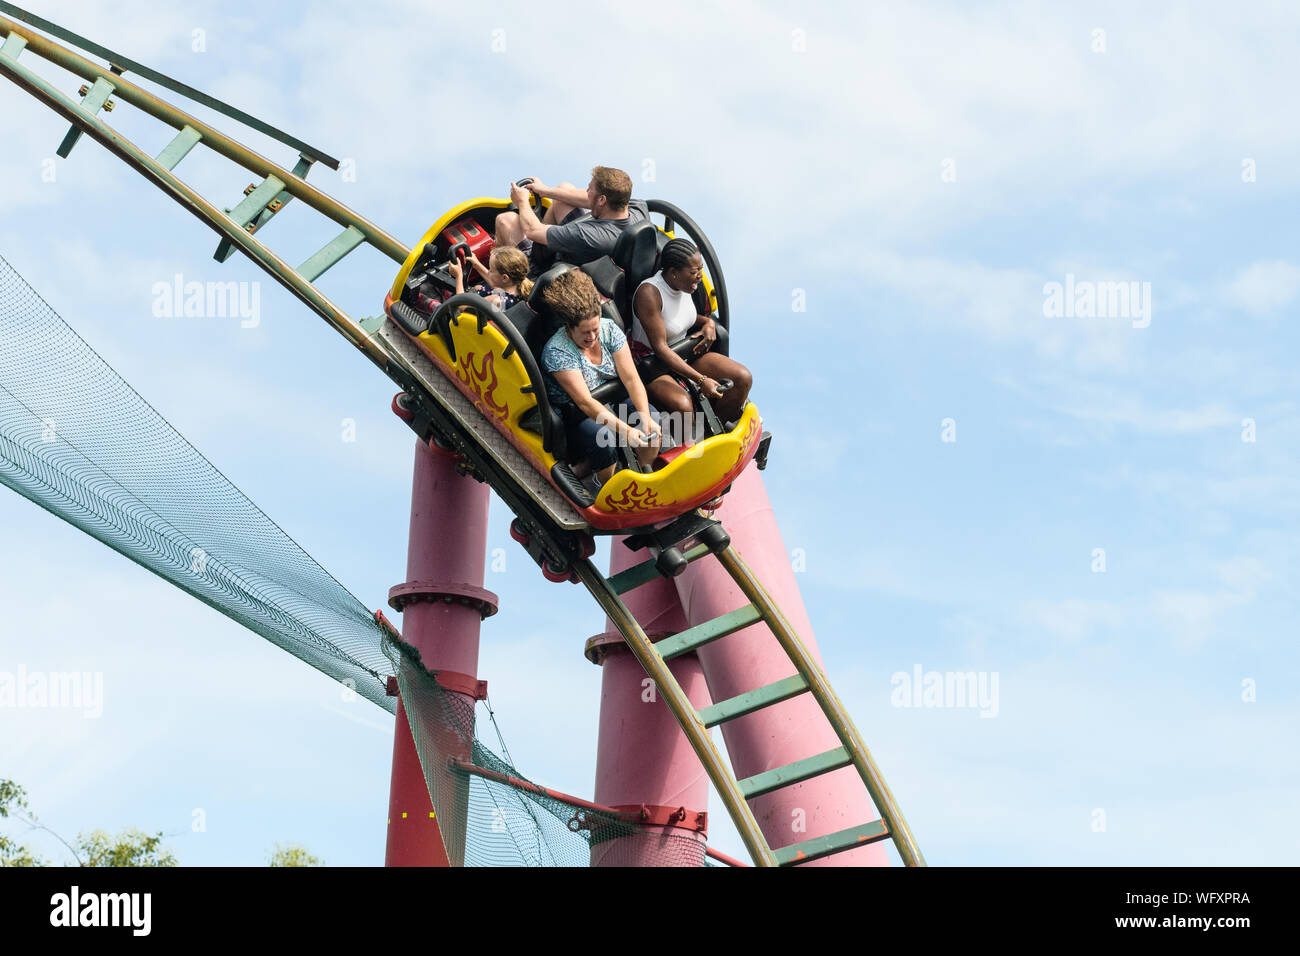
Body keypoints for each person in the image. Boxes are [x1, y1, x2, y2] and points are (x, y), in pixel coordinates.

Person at [539, 269, 662, 485]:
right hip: (579, 413)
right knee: (604, 440)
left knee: (653, 421)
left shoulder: (609, 330)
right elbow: (585, 402)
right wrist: (626, 431)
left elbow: (632, 379)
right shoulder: (557, 352)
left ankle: (646, 475)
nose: (592, 336)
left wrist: (644, 416)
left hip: (613, 396)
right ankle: (604, 483)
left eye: (595, 328)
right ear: (569, 327)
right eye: (585, 332)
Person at [631, 238, 753, 425]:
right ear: (673, 273)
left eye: (701, 269)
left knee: (742, 378)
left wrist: (708, 323)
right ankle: (688, 443)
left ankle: (713, 429)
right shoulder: (649, 293)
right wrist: (701, 380)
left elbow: (682, 317)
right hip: (654, 364)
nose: (699, 276)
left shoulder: (686, 285)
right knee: (683, 406)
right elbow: (661, 348)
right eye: (694, 272)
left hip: (683, 353)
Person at [495, 167, 650, 266]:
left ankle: (498, 282)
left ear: (602, 199)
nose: (586, 192)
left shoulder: (586, 235)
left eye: (589, 189)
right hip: (593, 256)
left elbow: (532, 231)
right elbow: (588, 200)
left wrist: (521, 201)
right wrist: (546, 191)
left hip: (547, 267)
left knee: (505, 220)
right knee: (565, 189)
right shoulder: (638, 209)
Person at [448, 245, 533, 310]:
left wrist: (458, 276)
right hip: (485, 304)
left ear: (504, 278)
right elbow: (494, 282)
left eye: (491, 270)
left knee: (448, 306)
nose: (489, 272)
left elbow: (462, 307)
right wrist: (476, 264)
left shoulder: (495, 300)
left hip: (471, 321)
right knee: (478, 287)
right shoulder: (517, 284)